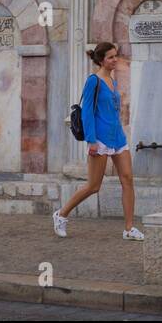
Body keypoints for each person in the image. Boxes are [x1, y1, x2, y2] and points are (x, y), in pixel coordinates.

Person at [53, 42, 143, 241]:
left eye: (116, 55)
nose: (115, 59)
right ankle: (61, 214)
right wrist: (92, 140)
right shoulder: (93, 81)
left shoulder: (112, 80)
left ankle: (129, 228)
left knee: (128, 179)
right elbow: (87, 112)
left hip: (118, 138)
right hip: (99, 139)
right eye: (111, 57)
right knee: (93, 186)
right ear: (101, 60)